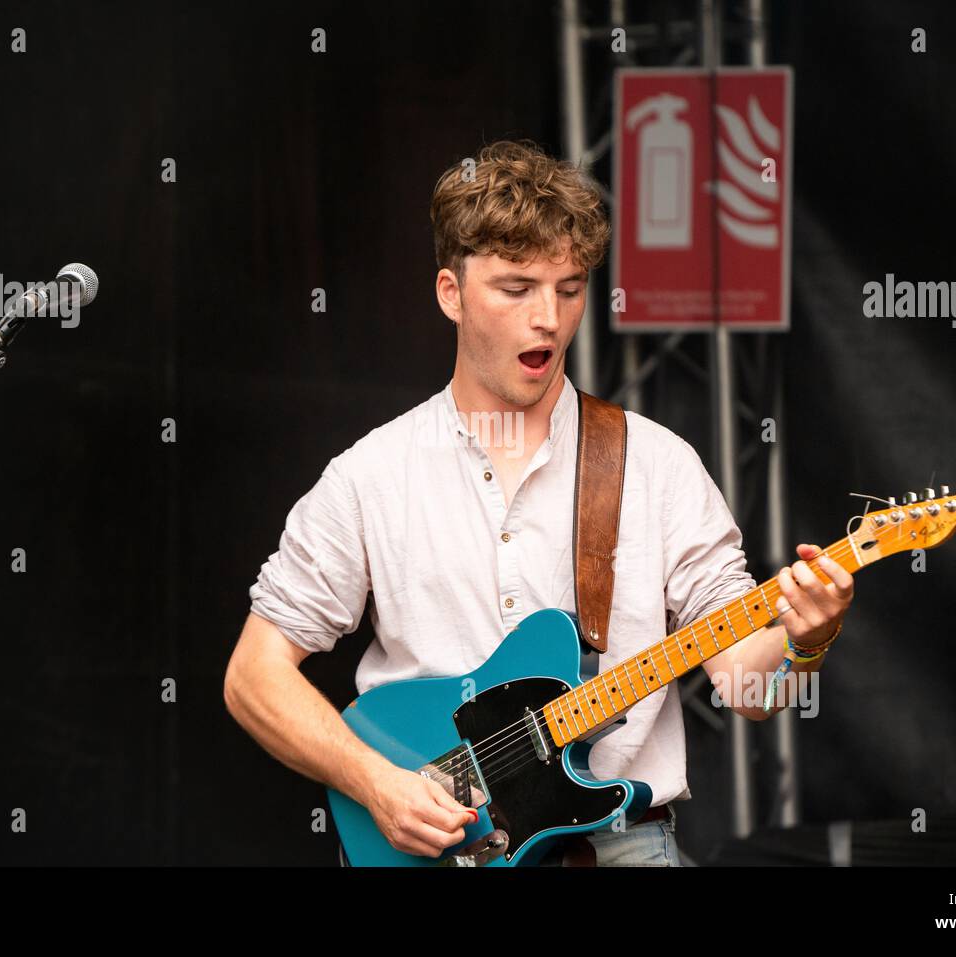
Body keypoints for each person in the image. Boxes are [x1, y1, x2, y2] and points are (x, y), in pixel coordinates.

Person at [223, 139, 854, 866]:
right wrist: (376, 783)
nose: (549, 319)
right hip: (437, 847)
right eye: (517, 288)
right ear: (450, 294)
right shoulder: (371, 476)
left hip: (620, 843)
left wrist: (808, 640)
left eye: (570, 287)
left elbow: (748, 687)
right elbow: (253, 676)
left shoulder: (656, 463)